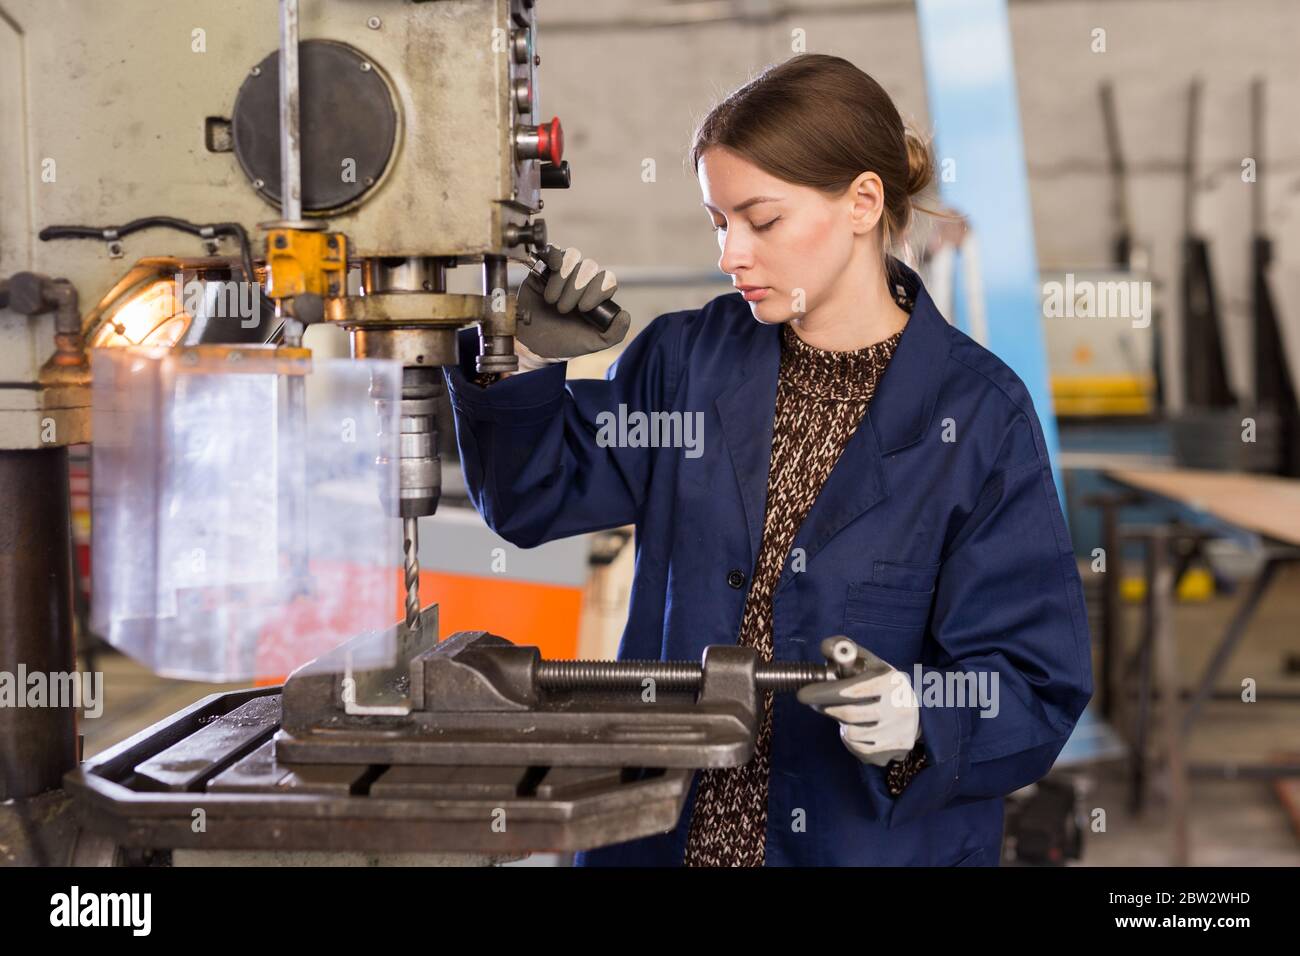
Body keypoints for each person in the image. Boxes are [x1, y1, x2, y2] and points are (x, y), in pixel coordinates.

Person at [443, 53, 1092, 867]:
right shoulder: (687, 361)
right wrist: (523, 366)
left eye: (761, 220)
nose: (730, 253)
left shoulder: (978, 417)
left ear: (862, 202)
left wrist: (926, 716)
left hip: (868, 844)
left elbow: (1035, 680)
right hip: (658, 837)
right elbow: (532, 500)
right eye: (719, 221)